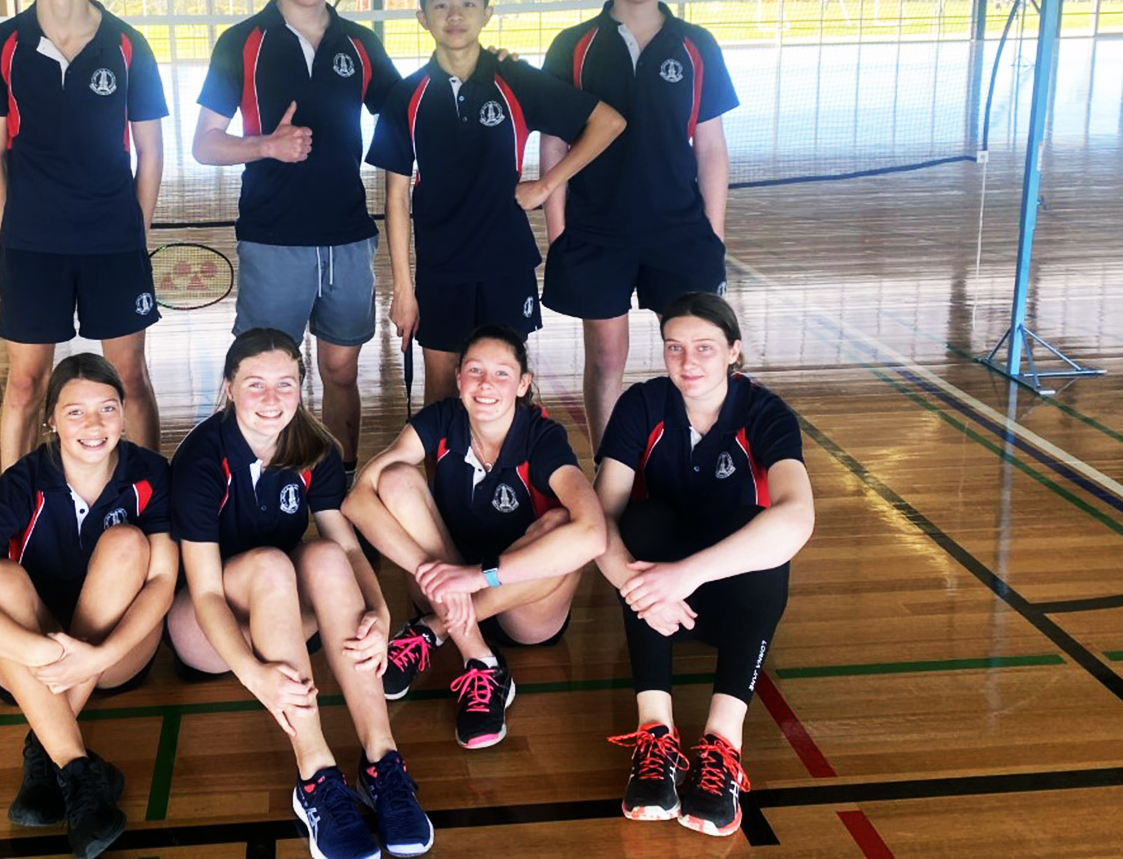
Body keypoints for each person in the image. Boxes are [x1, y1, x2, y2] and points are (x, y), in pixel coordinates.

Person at [166, 328, 433, 859]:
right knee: (269, 565)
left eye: (285, 384)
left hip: (281, 612)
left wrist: (379, 613)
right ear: (229, 388)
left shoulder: (313, 447)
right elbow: (207, 593)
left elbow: (350, 549)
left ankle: (383, 761)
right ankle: (314, 777)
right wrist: (253, 673)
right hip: (207, 630)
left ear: (301, 387)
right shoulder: (201, 460)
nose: (271, 399)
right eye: (255, 384)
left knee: (327, 557)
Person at [0, 354, 176, 859]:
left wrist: (97, 656)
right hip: (27, 659)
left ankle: (45, 750)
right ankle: (79, 773)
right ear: (50, 420)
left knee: (129, 544)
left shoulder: (150, 472)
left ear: (125, 412)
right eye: (75, 412)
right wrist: (44, 653)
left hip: (113, 657)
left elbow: (163, 582)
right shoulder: (21, 483)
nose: (94, 425)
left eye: (107, 408)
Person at [193, 0, 401, 485]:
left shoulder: (360, 44)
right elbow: (204, 144)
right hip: (273, 238)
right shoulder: (242, 43)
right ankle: (255, 489)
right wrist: (265, 146)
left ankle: (338, 484)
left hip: (347, 239)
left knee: (339, 371)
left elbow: (411, 114)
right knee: (265, 374)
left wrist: (484, 67)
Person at [592, 292, 814, 837]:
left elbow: (798, 517)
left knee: (767, 541)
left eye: (705, 348)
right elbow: (599, 519)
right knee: (641, 523)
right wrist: (635, 584)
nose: (688, 363)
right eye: (674, 348)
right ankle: (655, 735)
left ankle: (722, 744)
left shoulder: (765, 414)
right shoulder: (642, 405)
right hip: (657, 607)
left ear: (734, 352)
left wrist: (685, 575)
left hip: (730, 598)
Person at [366, 0, 624, 405]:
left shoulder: (515, 80)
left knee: (509, 389)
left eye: (468, 3)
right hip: (440, 270)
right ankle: (448, 478)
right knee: (443, 397)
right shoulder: (405, 97)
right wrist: (403, 291)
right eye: (440, 5)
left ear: (486, 13)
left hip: (506, 263)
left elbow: (608, 123)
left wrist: (546, 186)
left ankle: (509, 477)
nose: (455, 15)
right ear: (422, 17)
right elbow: (395, 200)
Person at [0, 0, 168, 468]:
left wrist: (135, 230)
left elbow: (150, 152)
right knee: (27, 384)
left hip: (113, 240)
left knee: (129, 376)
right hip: (33, 243)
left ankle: (146, 497)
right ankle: (17, 503)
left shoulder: (128, 45)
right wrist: (12, 234)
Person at [342, 324, 606, 749]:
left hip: (524, 606)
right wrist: (434, 573)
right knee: (393, 478)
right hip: (445, 583)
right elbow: (357, 501)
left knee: (562, 528)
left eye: (502, 373)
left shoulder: (542, 438)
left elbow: (594, 536)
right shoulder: (442, 420)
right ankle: (481, 661)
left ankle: (433, 629)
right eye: (475, 371)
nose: (486, 384)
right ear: (459, 379)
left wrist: (479, 578)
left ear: (523, 385)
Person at [540, 0, 738, 455]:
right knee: (606, 358)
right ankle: (611, 471)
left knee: (694, 354)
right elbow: (552, 142)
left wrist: (713, 234)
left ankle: (691, 459)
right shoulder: (573, 47)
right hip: (596, 231)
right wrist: (558, 232)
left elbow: (712, 147)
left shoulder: (697, 46)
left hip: (678, 232)